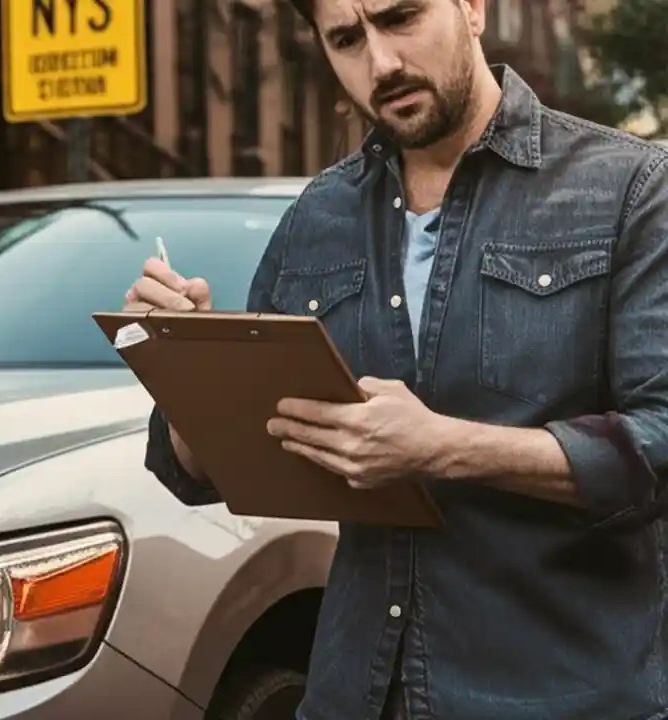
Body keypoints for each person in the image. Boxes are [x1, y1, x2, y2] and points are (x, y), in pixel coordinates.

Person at [125, 0, 668, 718]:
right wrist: (189, 368)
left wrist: (442, 447)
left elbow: (660, 442)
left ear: (471, 8)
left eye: (401, 17)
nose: (380, 63)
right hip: (354, 692)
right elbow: (211, 468)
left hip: (559, 695)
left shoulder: (630, 187)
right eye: (347, 39)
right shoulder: (319, 214)